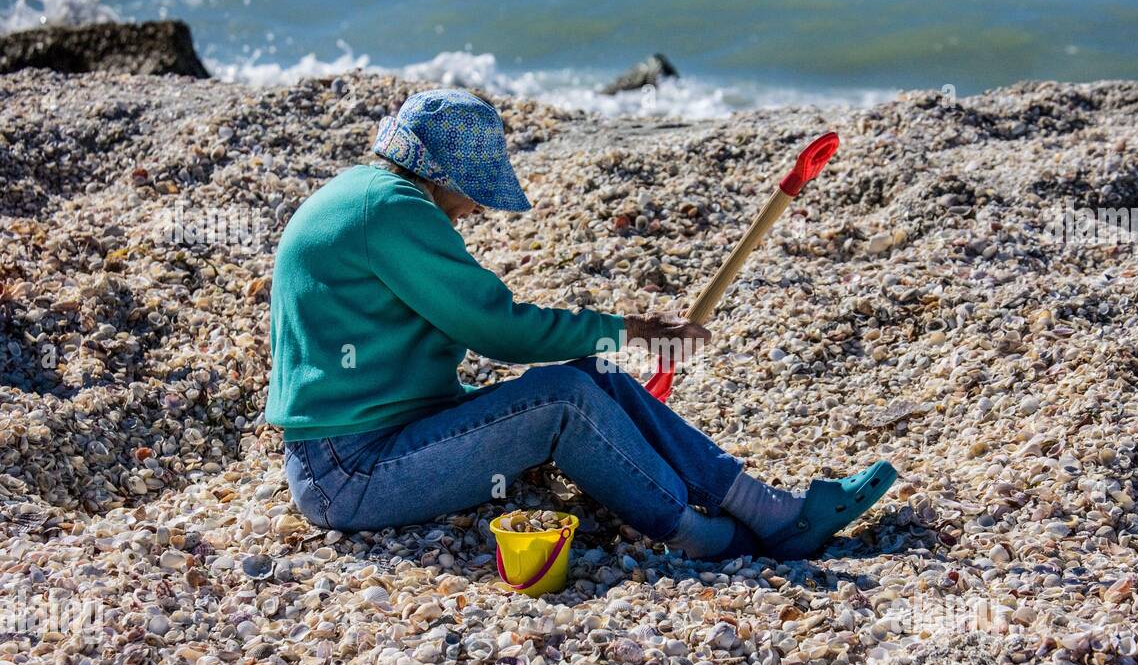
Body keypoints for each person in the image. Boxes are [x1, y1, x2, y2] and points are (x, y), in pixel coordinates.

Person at [266, 89, 894, 560]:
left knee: (592, 376)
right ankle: (705, 537)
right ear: (443, 171)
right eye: (474, 189)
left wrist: (613, 342)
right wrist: (632, 330)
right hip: (348, 473)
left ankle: (765, 507)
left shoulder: (365, 193)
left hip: (368, 445)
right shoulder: (393, 212)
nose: (477, 205)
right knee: (565, 401)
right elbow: (498, 330)